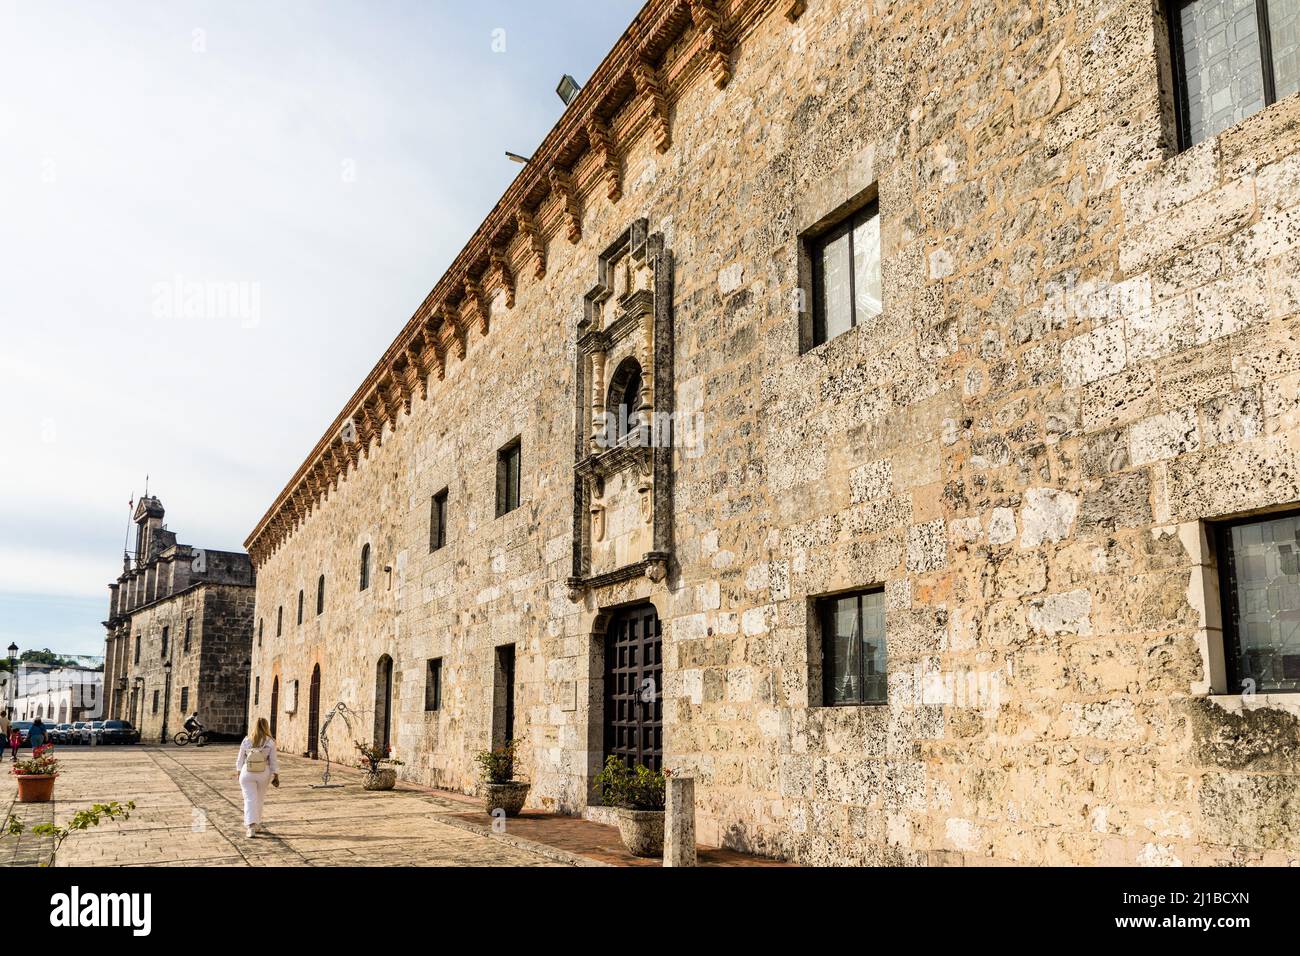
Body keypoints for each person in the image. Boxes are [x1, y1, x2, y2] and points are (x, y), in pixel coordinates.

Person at [235, 717, 279, 839]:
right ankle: (256, 823)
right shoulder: (270, 742)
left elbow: (240, 759)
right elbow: (274, 761)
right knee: (259, 799)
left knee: (249, 799)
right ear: (266, 726)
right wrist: (276, 775)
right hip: (263, 772)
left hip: (247, 772)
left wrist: (238, 771)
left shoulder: (247, 740)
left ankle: (251, 826)